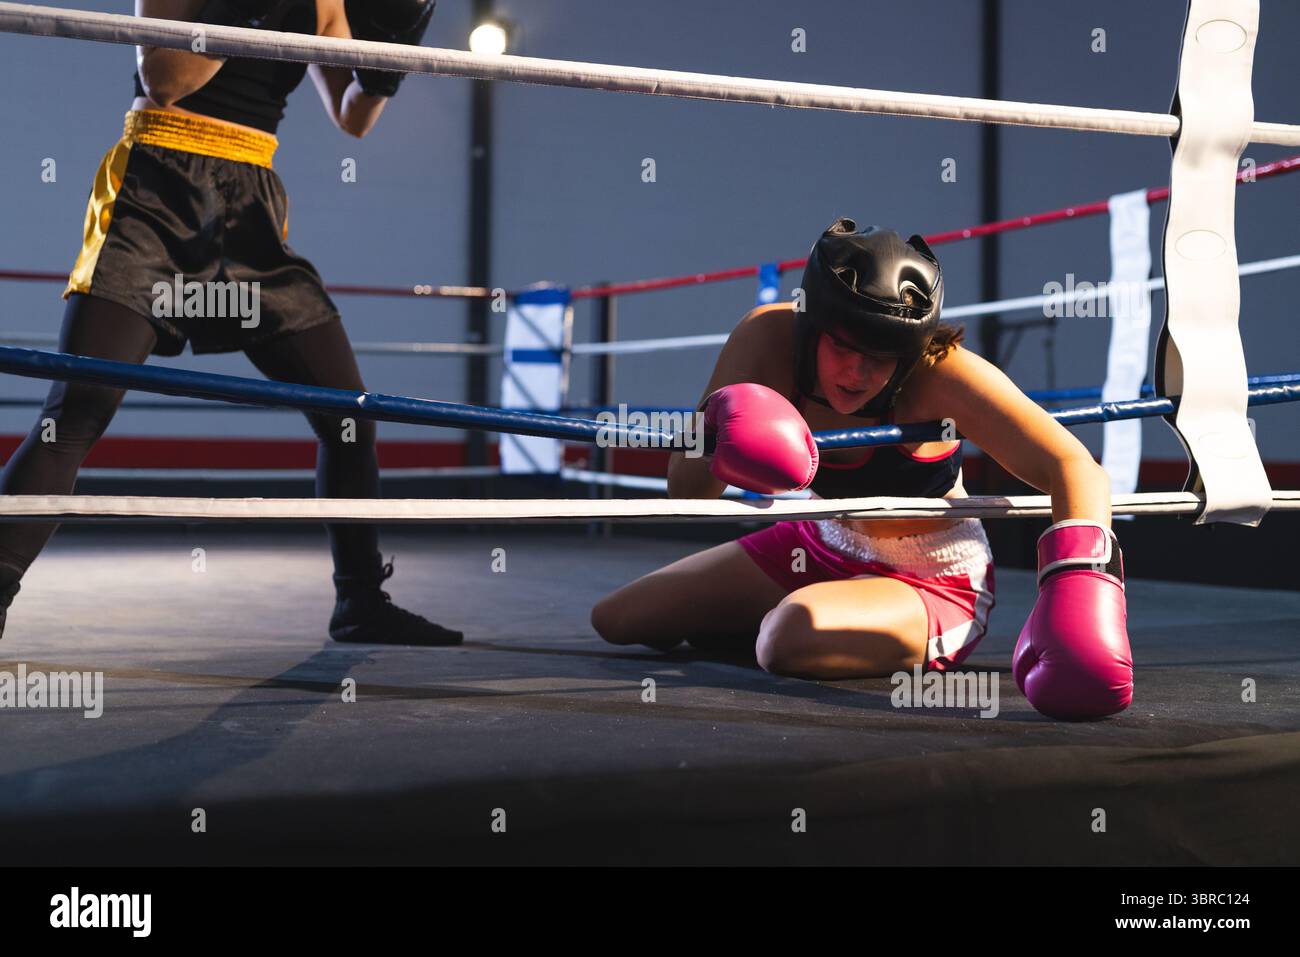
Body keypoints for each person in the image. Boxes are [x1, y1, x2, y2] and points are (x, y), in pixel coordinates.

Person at [0, 0, 463, 645]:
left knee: (348, 416)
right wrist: (253, 8)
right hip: (156, 189)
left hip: (250, 207)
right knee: (78, 406)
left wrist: (390, 55)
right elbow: (164, 77)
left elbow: (354, 117)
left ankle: (359, 599)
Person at [592, 218, 1133, 720]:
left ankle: (803, 623)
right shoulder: (766, 341)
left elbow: (1072, 464)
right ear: (812, 326)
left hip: (931, 580)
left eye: (881, 355)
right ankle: (796, 617)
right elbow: (687, 495)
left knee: (786, 640)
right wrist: (718, 430)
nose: (857, 372)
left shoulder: (942, 377)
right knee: (620, 619)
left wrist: (1079, 584)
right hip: (815, 542)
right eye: (844, 346)